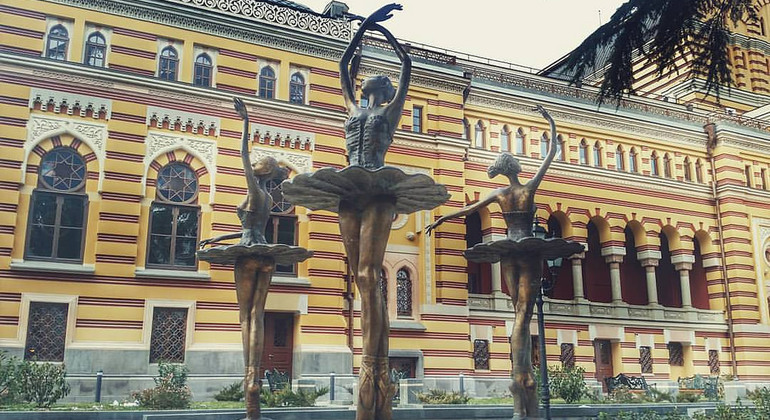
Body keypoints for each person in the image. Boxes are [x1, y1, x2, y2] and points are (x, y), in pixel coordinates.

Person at [425, 105, 559, 418]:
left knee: (518, 310)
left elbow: (466, 211)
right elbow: (550, 153)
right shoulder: (527, 188)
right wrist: (550, 122)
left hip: (509, 249)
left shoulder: (499, 193)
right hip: (528, 249)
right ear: (516, 168)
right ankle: (522, 378)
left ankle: (519, 376)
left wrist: (442, 218)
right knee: (523, 312)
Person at [198, 98, 290, 420]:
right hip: (265, 255)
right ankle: (256, 373)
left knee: (245, 316)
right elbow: (252, 231)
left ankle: (250, 378)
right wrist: (218, 238)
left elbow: (242, 155)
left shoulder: (253, 191)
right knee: (259, 315)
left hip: (247, 259)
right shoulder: (267, 197)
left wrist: (246, 120)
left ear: (259, 173)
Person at [339, 3, 411, 170]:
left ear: (384, 85)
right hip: (352, 174)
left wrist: (380, 29)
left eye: (376, 76)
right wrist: (365, 26)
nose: (365, 78)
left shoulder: (390, 110)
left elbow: (406, 62)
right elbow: (343, 64)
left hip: (377, 173)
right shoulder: (353, 108)